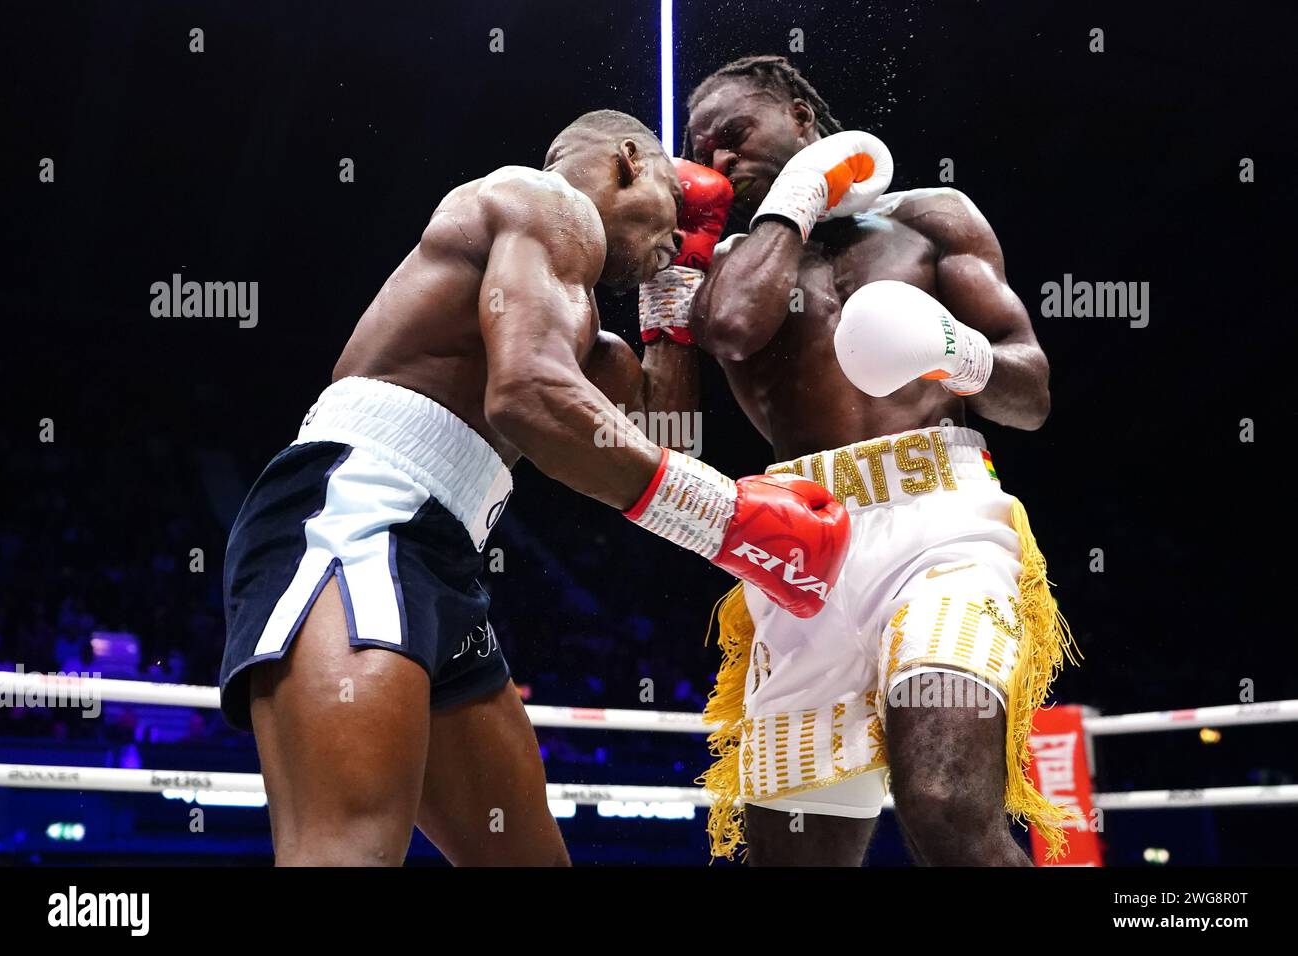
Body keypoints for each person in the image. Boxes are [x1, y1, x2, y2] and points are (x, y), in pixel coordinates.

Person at [219, 109, 851, 866]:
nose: (675, 243)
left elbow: (663, 438)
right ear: (626, 162)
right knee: (347, 850)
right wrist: (730, 519)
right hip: (355, 515)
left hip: (438, 558)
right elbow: (525, 395)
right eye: (673, 218)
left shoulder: (573, 330)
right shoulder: (540, 202)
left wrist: (674, 294)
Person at [654, 56, 1076, 865]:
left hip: (939, 531)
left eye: (734, 135)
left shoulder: (932, 218)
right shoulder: (721, 269)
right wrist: (799, 193)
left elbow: (1032, 396)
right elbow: (737, 329)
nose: (716, 164)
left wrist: (955, 353)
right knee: (795, 856)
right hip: (799, 556)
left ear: (804, 118)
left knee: (948, 809)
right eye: (700, 153)